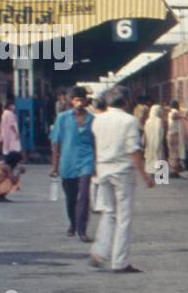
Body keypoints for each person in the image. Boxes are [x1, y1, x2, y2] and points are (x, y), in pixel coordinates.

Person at [89, 85, 154, 273]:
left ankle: (99, 252)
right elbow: (133, 150)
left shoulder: (97, 120)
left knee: (108, 213)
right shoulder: (129, 121)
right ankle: (120, 262)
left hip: (102, 170)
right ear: (126, 101)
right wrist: (145, 176)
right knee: (124, 217)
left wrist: (95, 168)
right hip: (122, 172)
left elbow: (94, 145)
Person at [49, 87, 97, 241]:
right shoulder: (62, 118)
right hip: (67, 162)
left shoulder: (92, 119)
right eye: (76, 99)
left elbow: (96, 142)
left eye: (82, 99)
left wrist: (97, 163)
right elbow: (55, 143)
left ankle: (82, 230)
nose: (79, 102)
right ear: (71, 101)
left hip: (86, 160)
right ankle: (73, 223)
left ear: (86, 100)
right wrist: (55, 166)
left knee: (84, 195)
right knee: (71, 198)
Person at [143, 101, 165, 174]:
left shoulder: (147, 121)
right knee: (158, 156)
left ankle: (150, 171)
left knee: (150, 156)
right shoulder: (159, 121)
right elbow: (161, 133)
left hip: (149, 143)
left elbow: (145, 133)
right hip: (157, 142)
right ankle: (158, 173)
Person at [166, 100, 186, 175]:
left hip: (170, 134)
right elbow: (173, 116)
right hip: (174, 135)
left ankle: (175, 170)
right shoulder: (174, 112)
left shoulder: (170, 112)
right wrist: (182, 116)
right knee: (175, 153)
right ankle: (174, 171)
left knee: (173, 153)